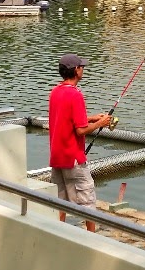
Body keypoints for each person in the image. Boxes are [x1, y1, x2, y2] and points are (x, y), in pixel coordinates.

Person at [47, 53, 113, 232]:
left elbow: (65, 119)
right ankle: (91, 239)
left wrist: (91, 118)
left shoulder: (55, 91)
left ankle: (57, 234)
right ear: (76, 70)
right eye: (81, 67)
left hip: (57, 156)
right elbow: (80, 130)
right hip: (73, 159)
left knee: (59, 202)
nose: (83, 69)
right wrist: (101, 123)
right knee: (88, 202)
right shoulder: (76, 95)